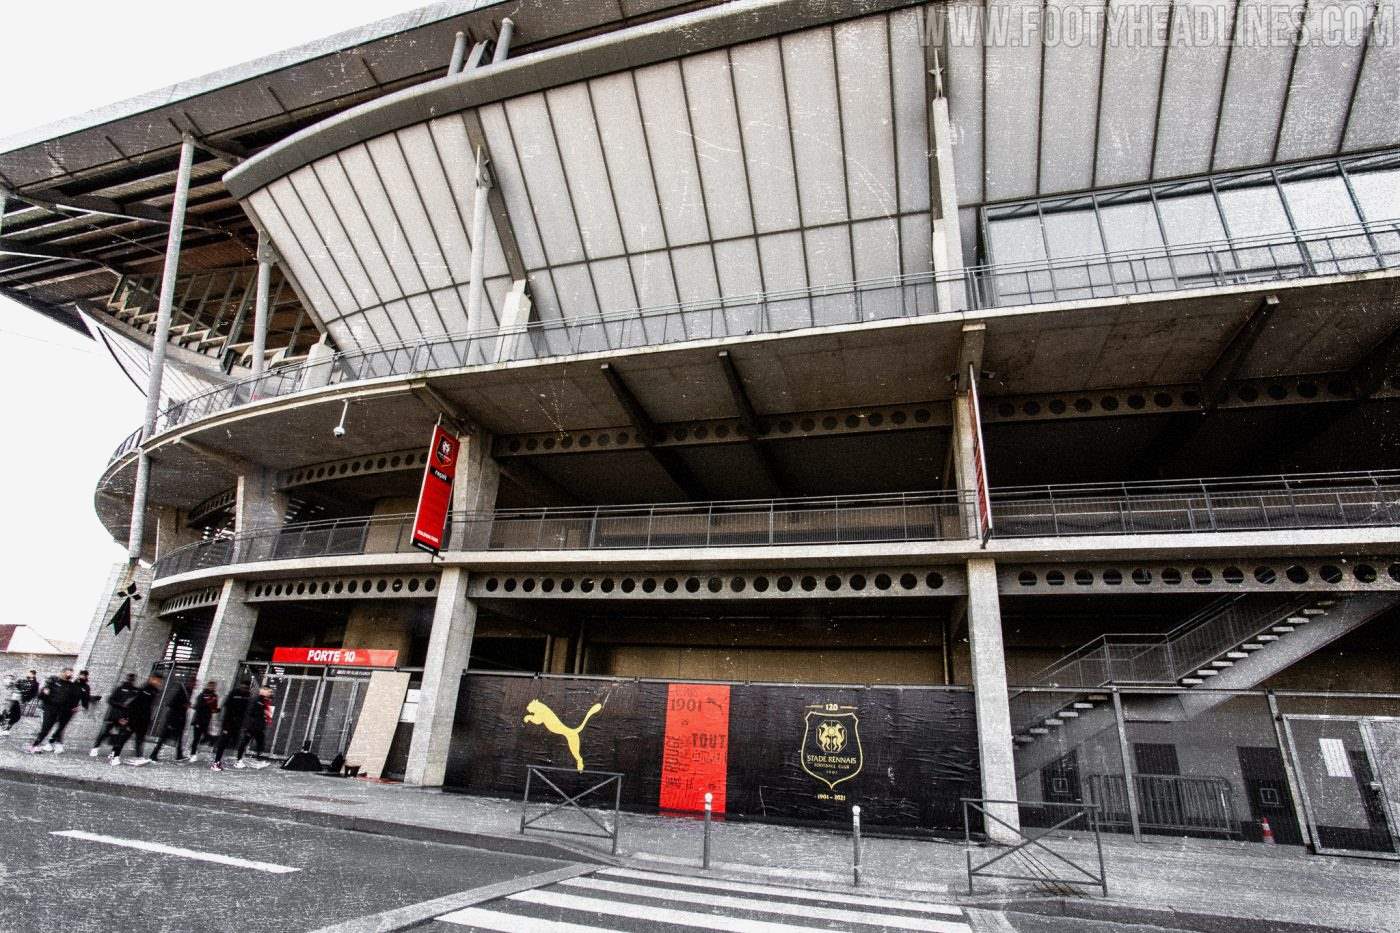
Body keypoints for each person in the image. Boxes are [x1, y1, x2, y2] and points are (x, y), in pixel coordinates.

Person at [108, 673, 162, 766]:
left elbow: (148, 707)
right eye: (156, 680)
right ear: (152, 679)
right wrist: (125, 717)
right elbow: (133, 704)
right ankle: (114, 756)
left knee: (139, 739)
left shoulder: (154, 691)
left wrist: (148, 720)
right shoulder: (143, 689)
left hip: (143, 720)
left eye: (159, 681)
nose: (158, 682)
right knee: (124, 738)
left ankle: (139, 757)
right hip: (133, 719)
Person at [26, 668, 77, 753]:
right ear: (62, 673)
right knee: (45, 729)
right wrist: (44, 692)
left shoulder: (71, 686)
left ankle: (50, 744)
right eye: (68, 673)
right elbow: (41, 696)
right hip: (50, 709)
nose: (70, 675)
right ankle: (34, 746)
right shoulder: (53, 682)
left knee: (60, 729)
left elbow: (72, 699)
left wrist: (72, 708)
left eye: (71, 673)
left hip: (63, 711)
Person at [90, 674, 138, 756]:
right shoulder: (120, 689)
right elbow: (110, 700)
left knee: (120, 735)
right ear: (127, 679)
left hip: (125, 716)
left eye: (132, 679)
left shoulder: (135, 691)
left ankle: (113, 752)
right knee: (105, 732)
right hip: (114, 715)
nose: (130, 680)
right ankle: (95, 748)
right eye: (129, 678)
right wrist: (120, 704)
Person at [149, 678, 192, 763]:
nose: (195, 685)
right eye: (194, 683)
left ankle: (179, 755)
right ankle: (153, 754)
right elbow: (171, 704)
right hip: (173, 720)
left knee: (178, 738)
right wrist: (183, 705)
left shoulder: (186, 692)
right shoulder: (181, 691)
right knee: (164, 737)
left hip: (178, 720)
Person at [187, 681, 219, 763]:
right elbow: (198, 706)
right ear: (208, 686)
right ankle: (193, 754)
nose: (212, 687)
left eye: (213, 686)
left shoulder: (215, 696)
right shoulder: (202, 695)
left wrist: (216, 709)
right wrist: (208, 705)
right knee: (196, 738)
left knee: (205, 736)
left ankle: (197, 748)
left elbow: (214, 708)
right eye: (210, 686)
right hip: (199, 719)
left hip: (207, 720)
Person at [4, 671, 39, 736]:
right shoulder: (21, 681)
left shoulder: (33, 683)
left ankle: (6, 729)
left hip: (17, 700)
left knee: (14, 716)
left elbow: (32, 691)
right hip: (12, 700)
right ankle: (5, 729)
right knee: (10, 715)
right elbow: (9, 686)